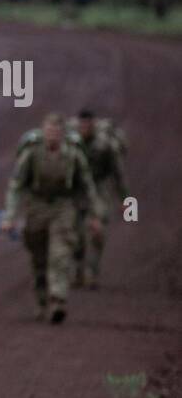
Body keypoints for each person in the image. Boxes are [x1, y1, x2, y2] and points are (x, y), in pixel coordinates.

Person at [0, 113, 103, 323]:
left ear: (62, 134)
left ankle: (58, 300)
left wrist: (95, 215)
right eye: (49, 131)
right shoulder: (32, 153)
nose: (52, 136)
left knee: (60, 254)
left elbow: (87, 186)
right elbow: (16, 185)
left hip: (63, 207)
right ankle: (42, 300)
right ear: (43, 132)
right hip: (37, 207)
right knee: (39, 258)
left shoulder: (73, 155)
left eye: (56, 132)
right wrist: (9, 216)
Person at [72, 109, 129, 289]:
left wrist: (125, 200)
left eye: (88, 125)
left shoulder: (105, 145)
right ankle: (78, 271)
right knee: (76, 234)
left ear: (94, 125)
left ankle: (92, 273)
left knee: (98, 231)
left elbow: (117, 174)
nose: (85, 128)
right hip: (78, 190)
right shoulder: (71, 142)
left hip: (99, 189)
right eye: (82, 125)